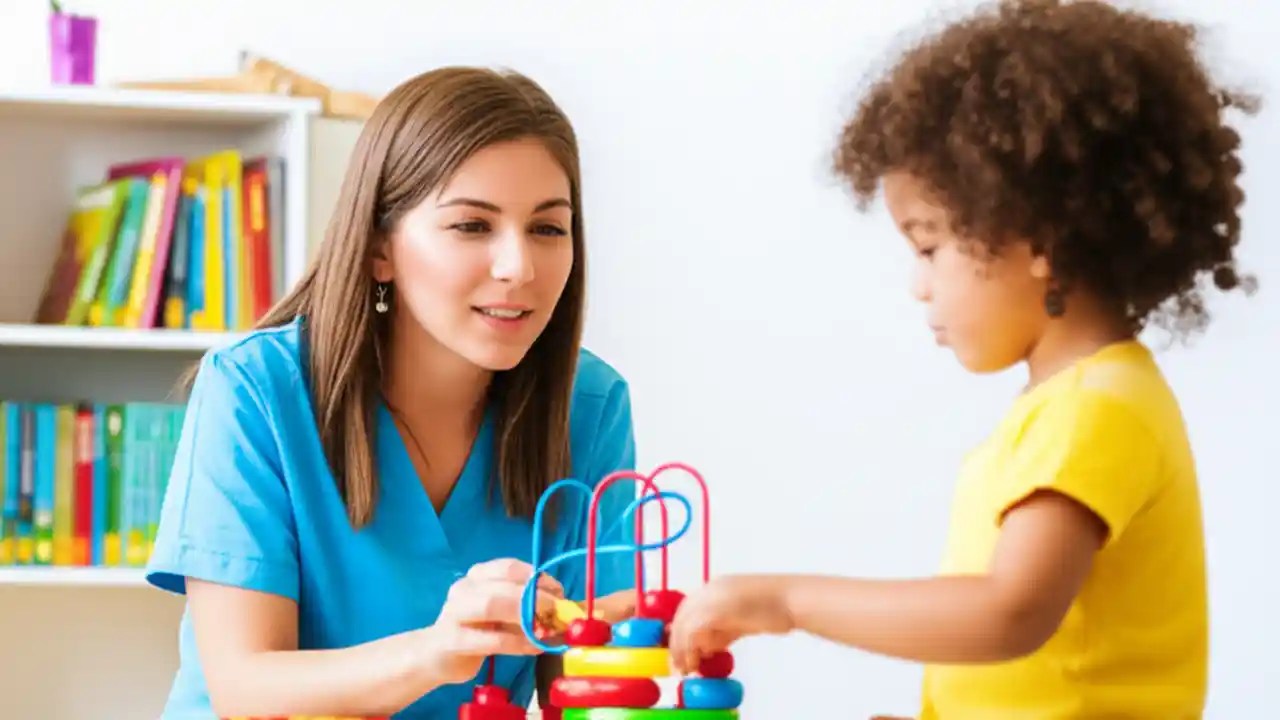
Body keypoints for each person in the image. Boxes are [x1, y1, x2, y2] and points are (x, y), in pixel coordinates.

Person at [666, 1, 1260, 718]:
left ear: (1039, 240)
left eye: (929, 247)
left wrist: (787, 601)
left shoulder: (1096, 412)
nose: (918, 286)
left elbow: (1010, 613)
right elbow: (1047, 660)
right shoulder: (1078, 402)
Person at [145, 66, 639, 719]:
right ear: (381, 247)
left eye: (548, 229)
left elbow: (585, 688)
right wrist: (436, 652)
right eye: (472, 225)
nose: (518, 267)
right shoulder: (255, 390)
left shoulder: (591, 409)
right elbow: (246, 687)